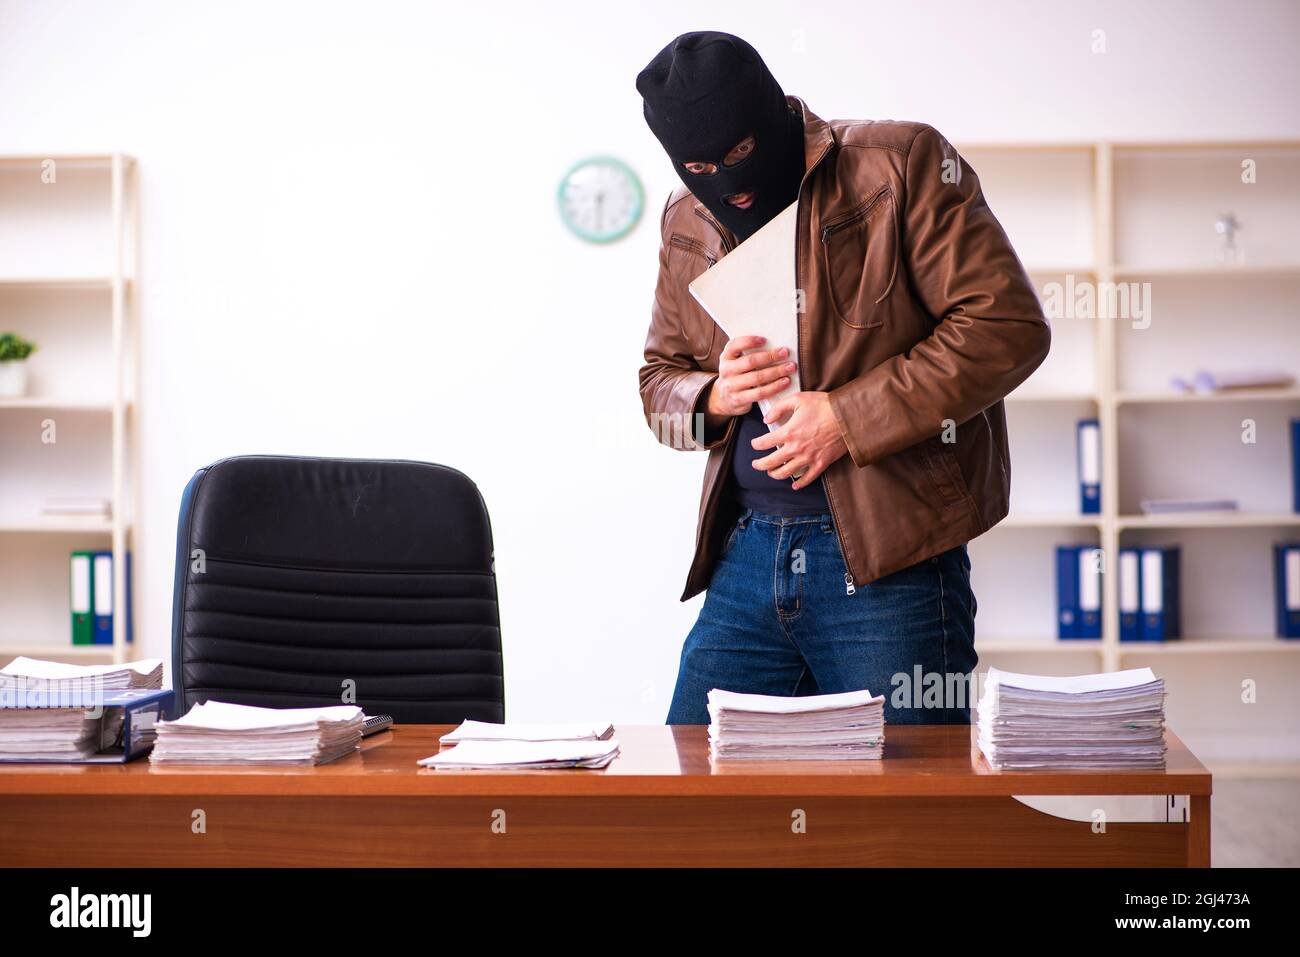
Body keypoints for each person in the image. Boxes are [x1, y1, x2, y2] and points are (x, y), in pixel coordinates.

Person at [635, 31, 1050, 725]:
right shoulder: (687, 217)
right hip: (744, 555)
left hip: (892, 560)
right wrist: (712, 394)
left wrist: (847, 420)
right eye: (703, 165)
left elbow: (1006, 327)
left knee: (906, 811)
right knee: (696, 803)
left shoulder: (900, 163)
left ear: (776, 113)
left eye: (741, 153)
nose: (730, 184)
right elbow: (658, 383)